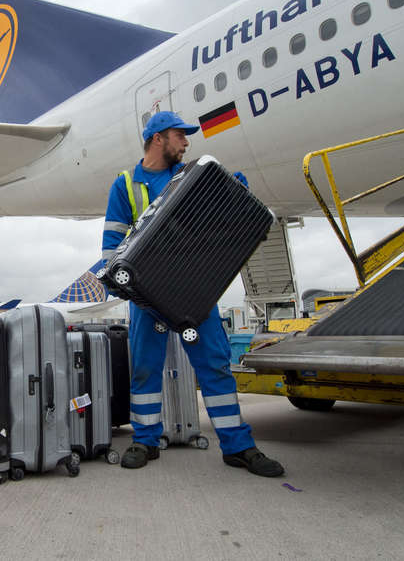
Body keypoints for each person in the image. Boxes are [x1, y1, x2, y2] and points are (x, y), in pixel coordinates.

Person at [101, 110, 284, 477]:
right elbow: (110, 250)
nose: (186, 142)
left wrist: (231, 193)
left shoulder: (194, 177)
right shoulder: (126, 185)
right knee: (144, 370)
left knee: (214, 366)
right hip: (148, 299)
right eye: (179, 135)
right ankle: (145, 440)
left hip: (193, 295)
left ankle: (238, 445)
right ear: (158, 139)